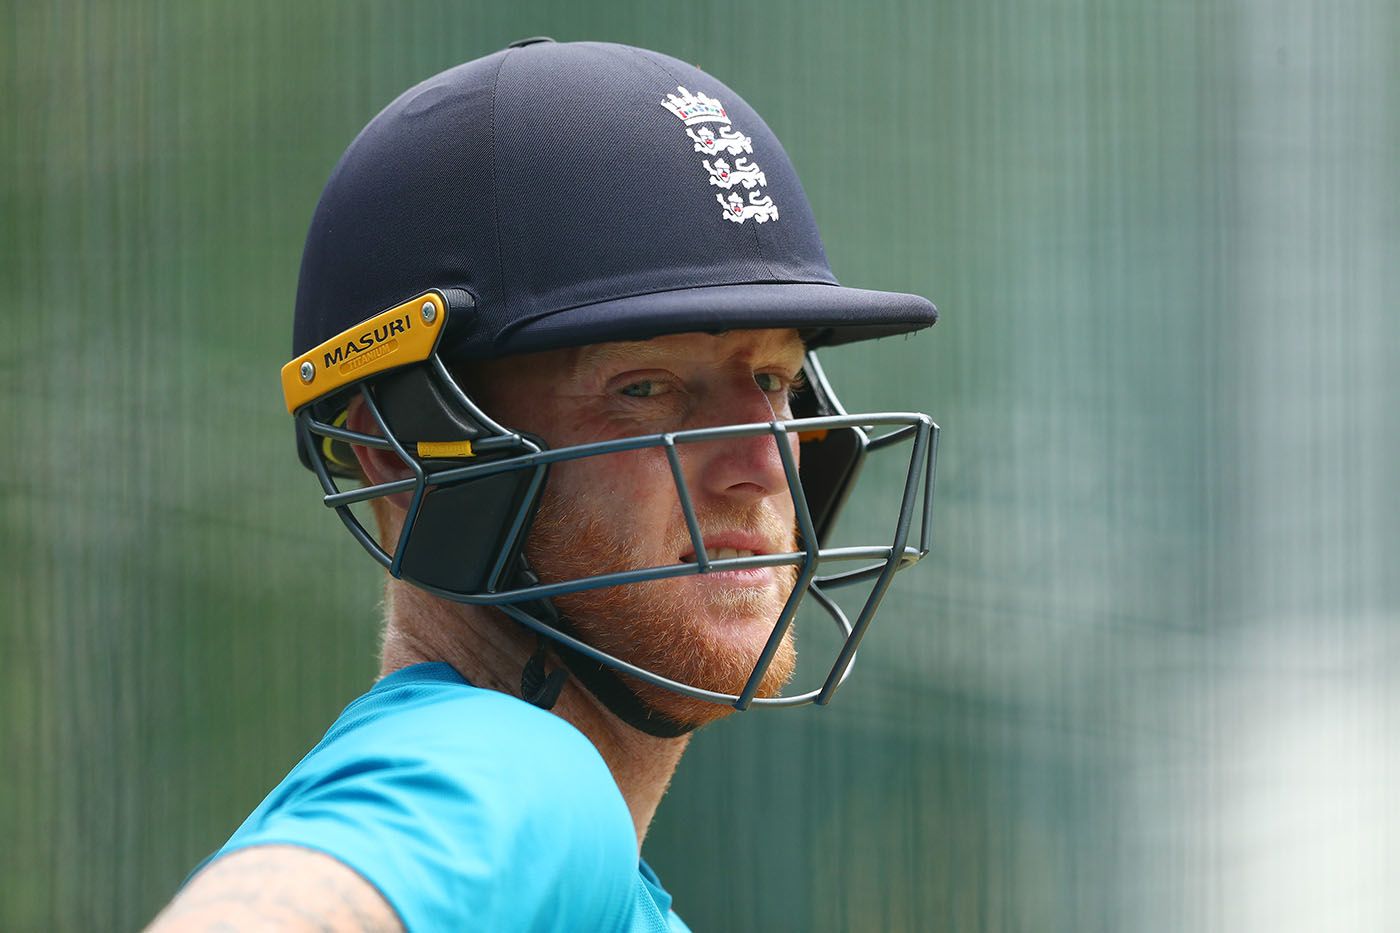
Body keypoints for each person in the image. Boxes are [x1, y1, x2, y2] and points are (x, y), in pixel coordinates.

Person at [147, 38, 938, 932]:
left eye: (774, 381)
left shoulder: (585, 870)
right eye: (644, 389)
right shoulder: (518, 771)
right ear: (400, 456)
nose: (761, 465)